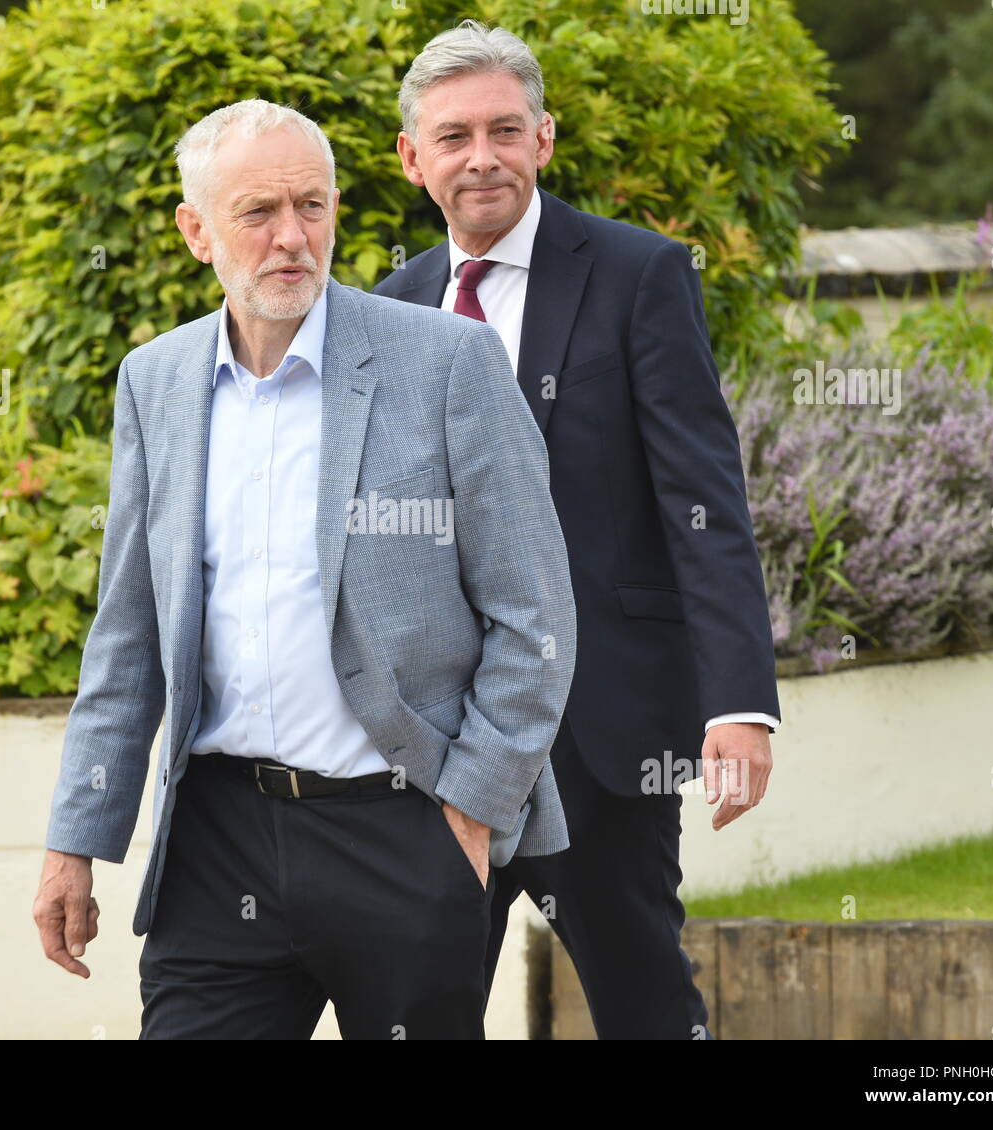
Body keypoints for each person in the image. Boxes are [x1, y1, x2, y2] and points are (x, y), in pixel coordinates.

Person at [32, 98, 577, 1040]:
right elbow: (127, 637)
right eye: (258, 213)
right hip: (217, 843)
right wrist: (76, 838)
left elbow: (535, 619)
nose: (293, 237)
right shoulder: (154, 382)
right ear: (196, 232)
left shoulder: (448, 362)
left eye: (313, 206)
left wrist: (472, 816)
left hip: (404, 831)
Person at [374, 20, 781, 1040]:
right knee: (413, 1010)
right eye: (455, 136)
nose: (482, 157)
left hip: (599, 740)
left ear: (544, 139)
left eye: (504, 130)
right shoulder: (389, 306)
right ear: (412, 158)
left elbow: (704, 500)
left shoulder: (637, 273)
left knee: (643, 1002)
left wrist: (738, 702)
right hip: (437, 750)